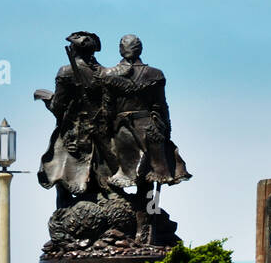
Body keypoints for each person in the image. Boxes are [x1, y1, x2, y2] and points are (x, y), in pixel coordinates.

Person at [103, 34, 191, 196]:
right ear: (140, 49)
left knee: (119, 174)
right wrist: (166, 131)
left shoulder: (109, 75)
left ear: (121, 50)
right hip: (149, 128)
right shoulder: (155, 74)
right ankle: (145, 215)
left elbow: (108, 108)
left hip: (122, 131)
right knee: (149, 178)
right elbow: (161, 106)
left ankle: (138, 213)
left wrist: (106, 130)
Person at [34, 31, 114, 205]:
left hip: (72, 133)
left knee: (60, 179)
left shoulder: (65, 71)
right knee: (97, 184)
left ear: (74, 49)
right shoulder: (105, 73)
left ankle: (66, 218)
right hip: (99, 134)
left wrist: (47, 99)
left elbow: (58, 106)